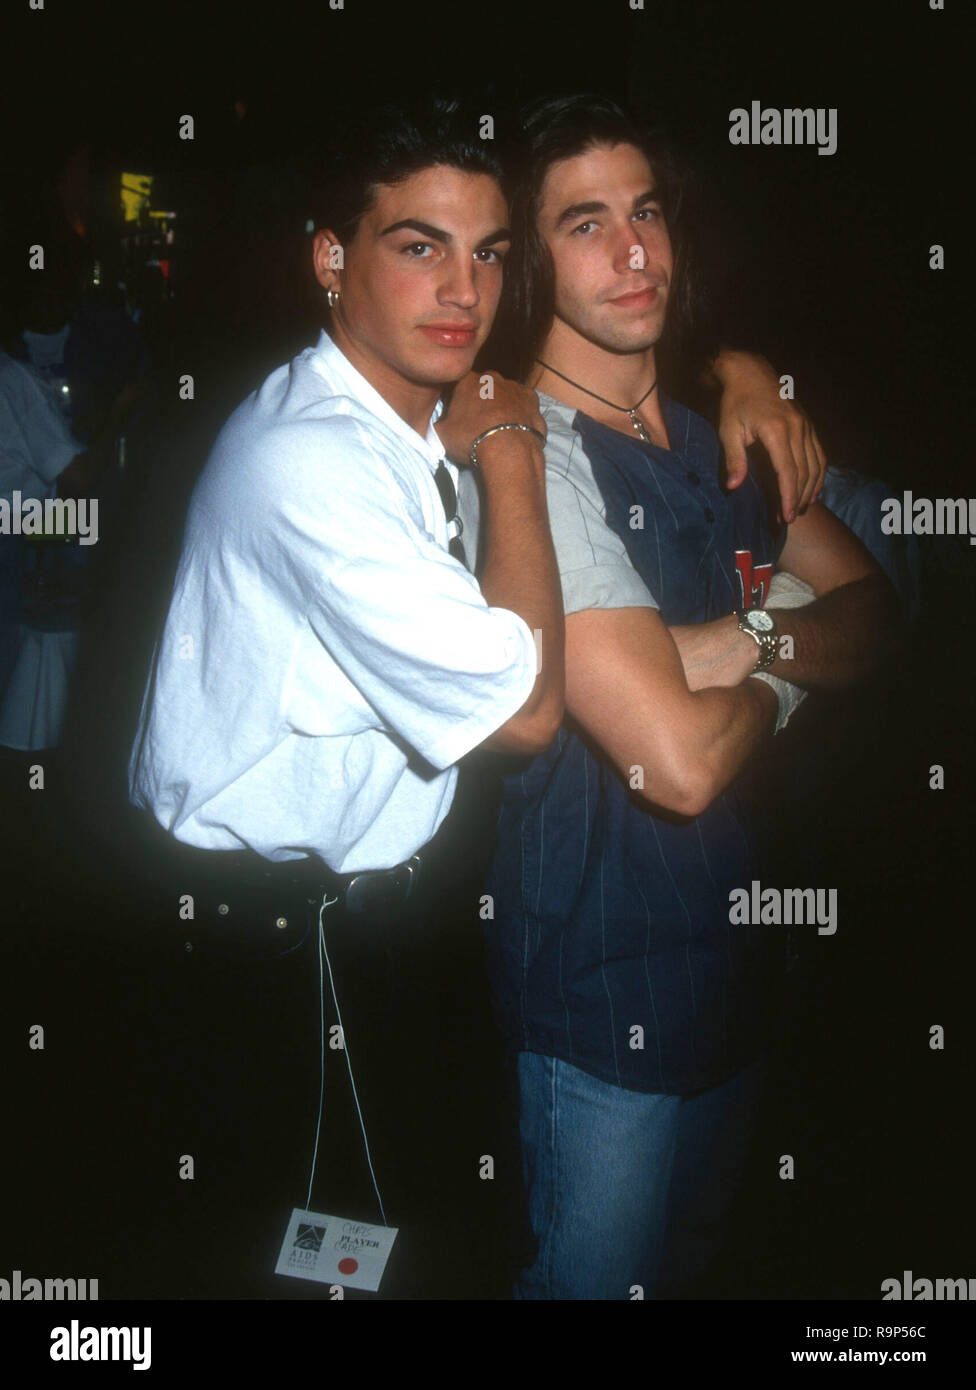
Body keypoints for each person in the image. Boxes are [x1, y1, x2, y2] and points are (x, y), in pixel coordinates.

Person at [125, 94, 829, 1299]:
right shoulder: (316, 460)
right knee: (330, 1267)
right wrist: (511, 455)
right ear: (330, 258)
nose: (464, 288)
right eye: (418, 246)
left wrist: (737, 368)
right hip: (275, 945)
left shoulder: (400, 415)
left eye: (489, 252)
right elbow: (526, 714)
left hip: (389, 922)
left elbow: (625, 340)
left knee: (438, 1244)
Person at [481, 94, 901, 1300]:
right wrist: (786, 655)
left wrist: (747, 638)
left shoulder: (725, 425)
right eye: (583, 222)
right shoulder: (523, 456)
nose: (633, 251)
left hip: (739, 963)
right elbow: (680, 762)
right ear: (526, 256)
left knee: (697, 1264)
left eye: (647, 211)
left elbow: (871, 612)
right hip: (600, 985)